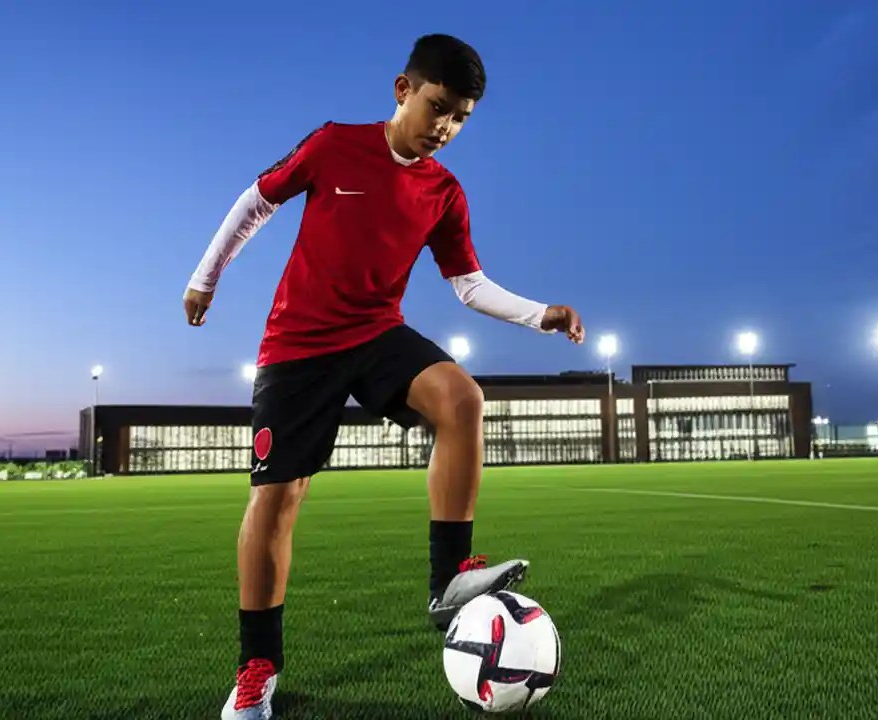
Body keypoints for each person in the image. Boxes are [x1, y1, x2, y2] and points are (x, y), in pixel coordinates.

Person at [182, 33, 584, 720]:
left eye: (460, 118)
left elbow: (467, 284)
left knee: (462, 398)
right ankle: (257, 669)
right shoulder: (335, 144)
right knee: (279, 501)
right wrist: (203, 279)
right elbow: (255, 201)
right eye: (438, 108)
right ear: (403, 90)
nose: (446, 129)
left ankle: (449, 577)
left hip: (375, 333)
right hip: (300, 344)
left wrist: (540, 314)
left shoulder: (443, 191)